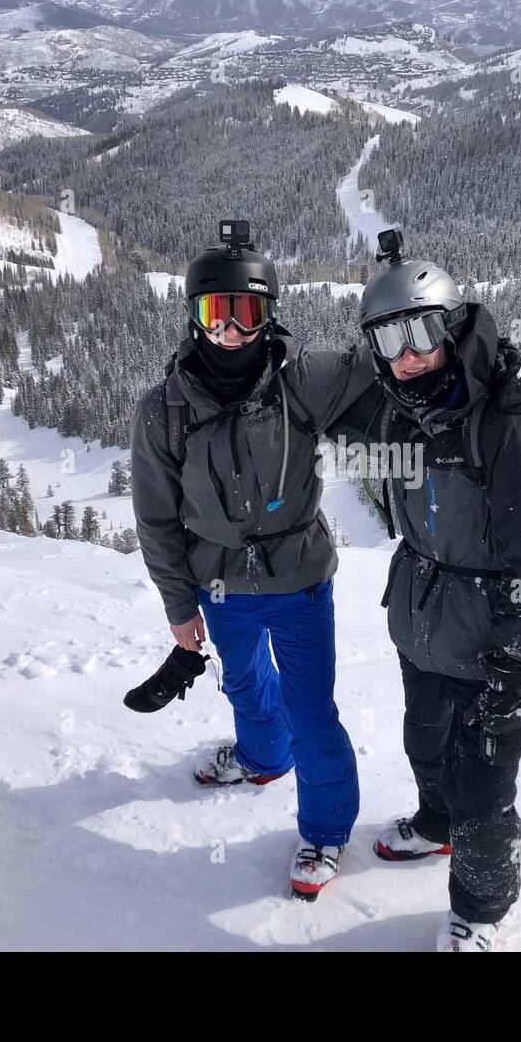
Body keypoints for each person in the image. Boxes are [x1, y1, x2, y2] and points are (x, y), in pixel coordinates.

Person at [328, 230, 521, 950]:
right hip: (420, 617)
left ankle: (481, 908)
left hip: (489, 634)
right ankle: (435, 824)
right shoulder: (400, 406)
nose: (407, 356)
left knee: (486, 788)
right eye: (388, 340)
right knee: (425, 742)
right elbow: (322, 403)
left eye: (422, 332)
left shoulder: (505, 431)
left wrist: (512, 671)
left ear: (452, 325)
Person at [130, 220, 376, 901]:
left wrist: (460, 346)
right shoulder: (165, 411)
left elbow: (380, 364)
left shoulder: (300, 383)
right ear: (195, 316)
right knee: (242, 681)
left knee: (310, 709)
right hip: (218, 585)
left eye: (247, 314)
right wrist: (181, 607)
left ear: (268, 316)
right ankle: (262, 759)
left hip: (299, 580)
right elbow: (155, 517)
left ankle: (325, 831)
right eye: (217, 313)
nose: (232, 331)